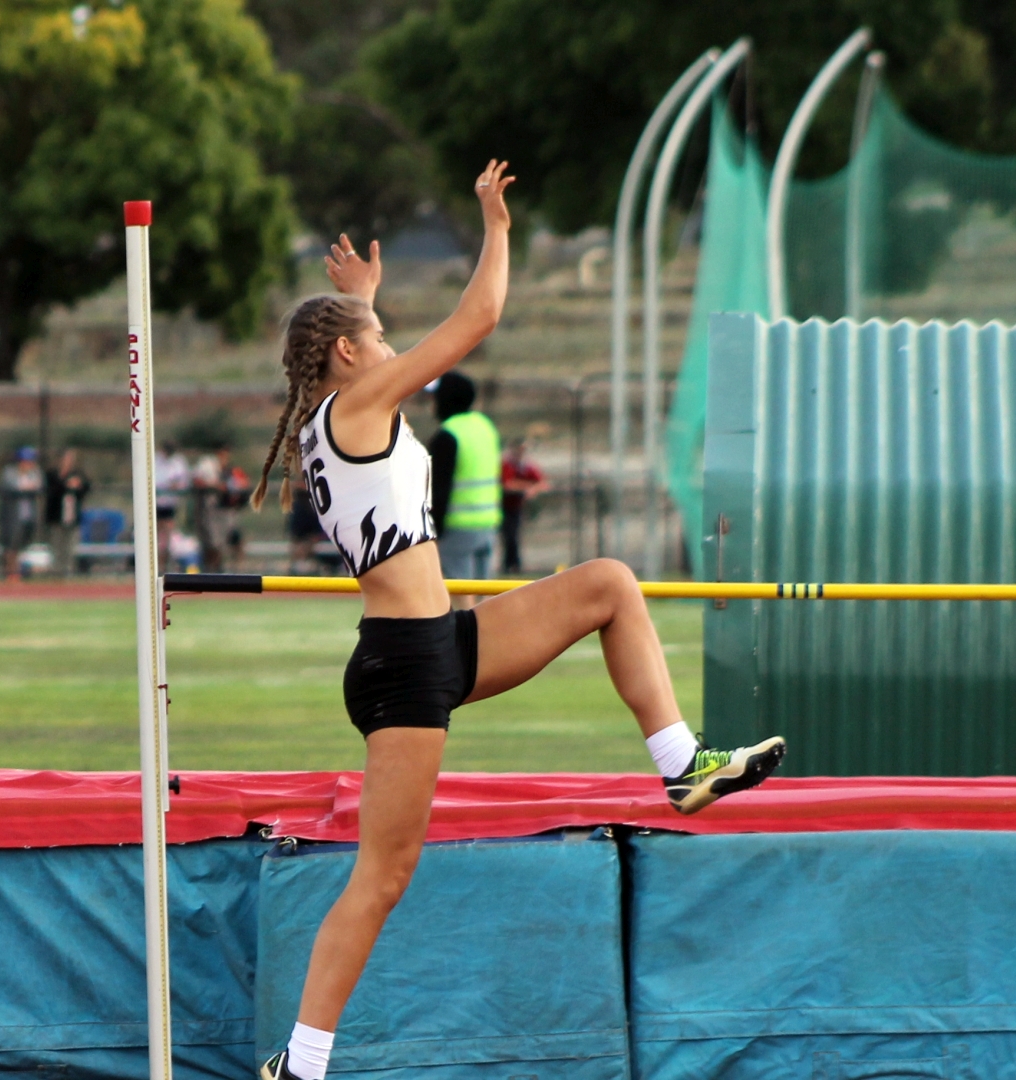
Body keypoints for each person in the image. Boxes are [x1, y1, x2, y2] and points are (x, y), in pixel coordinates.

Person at [247, 161, 786, 1080]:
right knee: (382, 878)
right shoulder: (361, 402)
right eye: (375, 337)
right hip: (407, 664)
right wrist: (495, 227)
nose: (388, 347)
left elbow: (381, 357)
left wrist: (365, 302)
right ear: (346, 357)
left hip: (444, 641)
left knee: (609, 584)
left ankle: (681, 768)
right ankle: (300, 1065)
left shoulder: (336, 415)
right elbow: (478, 322)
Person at [426, 371, 500, 607]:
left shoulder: (448, 435)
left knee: (461, 595)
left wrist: (432, 530)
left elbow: (440, 489)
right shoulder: (485, 426)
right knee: (484, 595)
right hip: (487, 524)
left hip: (457, 527)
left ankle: (468, 643)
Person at [499, 437, 549, 574]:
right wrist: (526, 486)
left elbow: (542, 483)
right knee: (509, 536)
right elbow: (508, 485)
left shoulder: (526, 466)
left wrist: (532, 489)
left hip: (517, 507)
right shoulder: (506, 465)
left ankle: (514, 565)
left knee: (514, 536)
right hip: (503, 506)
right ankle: (509, 565)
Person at [0, 446, 43, 581]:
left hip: (29, 515)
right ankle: (11, 573)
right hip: (12, 515)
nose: (29, 464)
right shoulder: (9, 472)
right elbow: (12, 488)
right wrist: (25, 488)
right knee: (12, 545)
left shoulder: (35, 472)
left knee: (24, 543)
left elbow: (38, 487)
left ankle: (22, 570)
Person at [44, 448, 91, 577]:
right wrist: (66, 484)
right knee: (57, 548)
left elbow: (86, 487)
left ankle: (68, 574)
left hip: (72, 518)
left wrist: (77, 485)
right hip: (56, 518)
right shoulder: (53, 474)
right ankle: (55, 574)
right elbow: (53, 489)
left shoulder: (77, 474)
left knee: (70, 549)